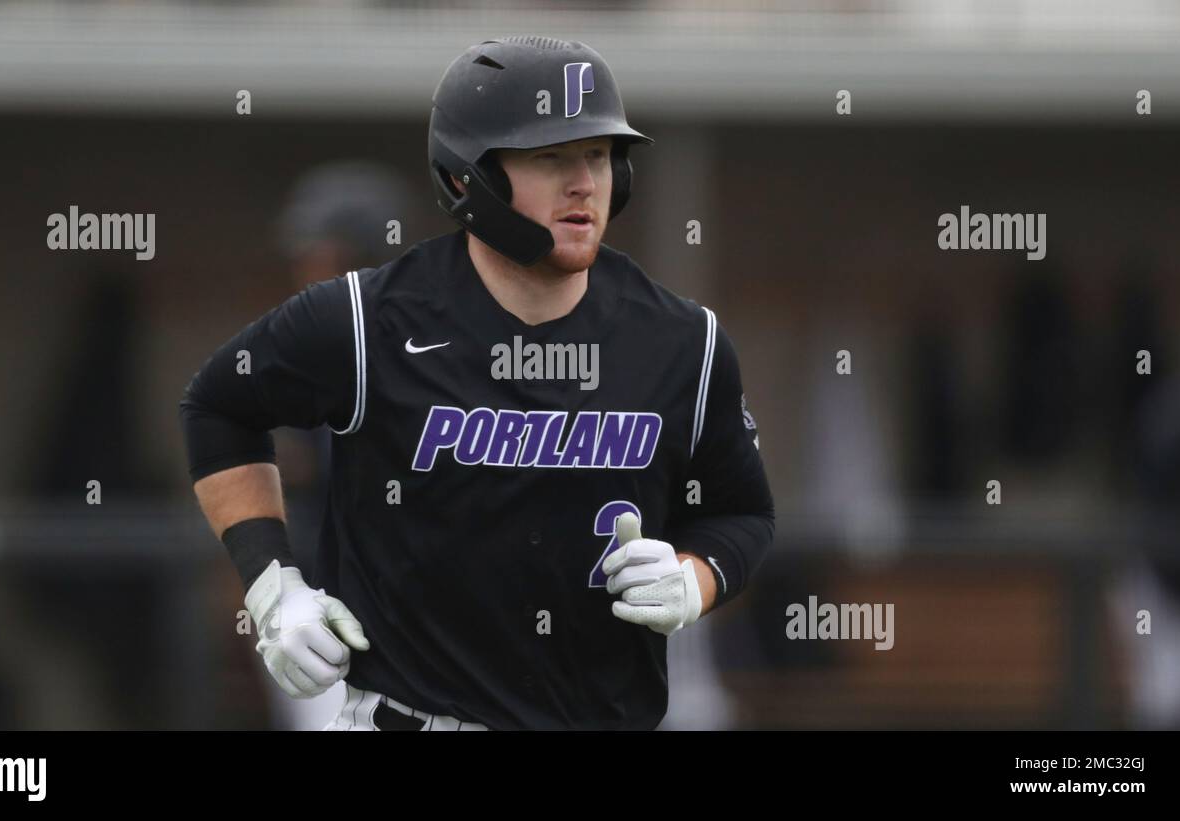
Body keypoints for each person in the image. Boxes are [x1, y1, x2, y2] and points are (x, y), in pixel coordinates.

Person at [179, 36, 776, 730]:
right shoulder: (365, 318)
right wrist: (272, 585)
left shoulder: (684, 341)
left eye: (598, 154)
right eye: (551, 157)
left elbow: (743, 513)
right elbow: (217, 405)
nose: (585, 181)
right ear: (469, 179)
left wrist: (693, 577)